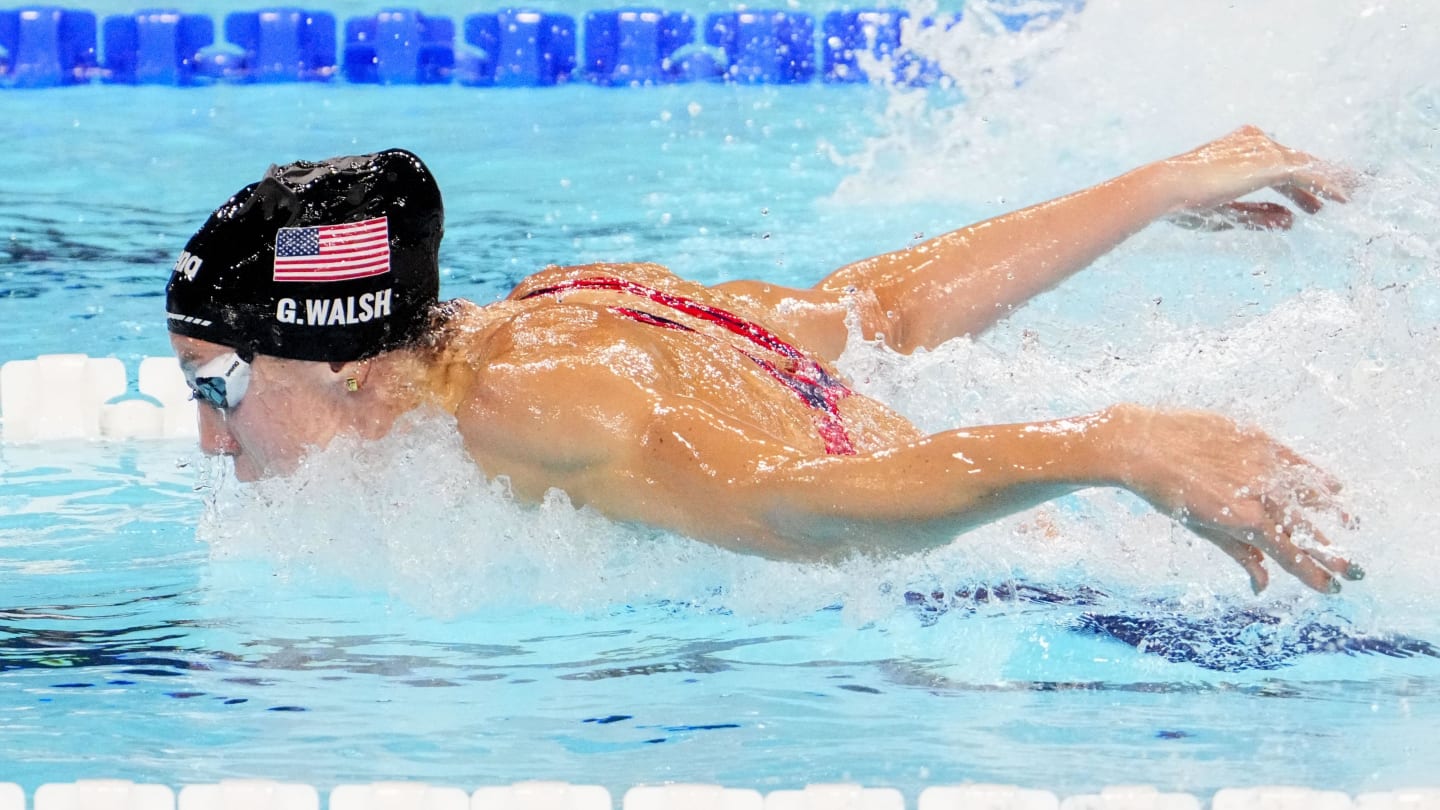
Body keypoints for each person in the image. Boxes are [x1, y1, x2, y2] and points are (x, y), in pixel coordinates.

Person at [165, 125, 1363, 596]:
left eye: (217, 390)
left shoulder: (525, 411)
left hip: (1100, 583)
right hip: (1109, 543)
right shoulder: (564, 301)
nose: (212, 440)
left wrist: (1109, 444)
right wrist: (1160, 183)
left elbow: (798, 512)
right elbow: (872, 313)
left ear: (349, 368)